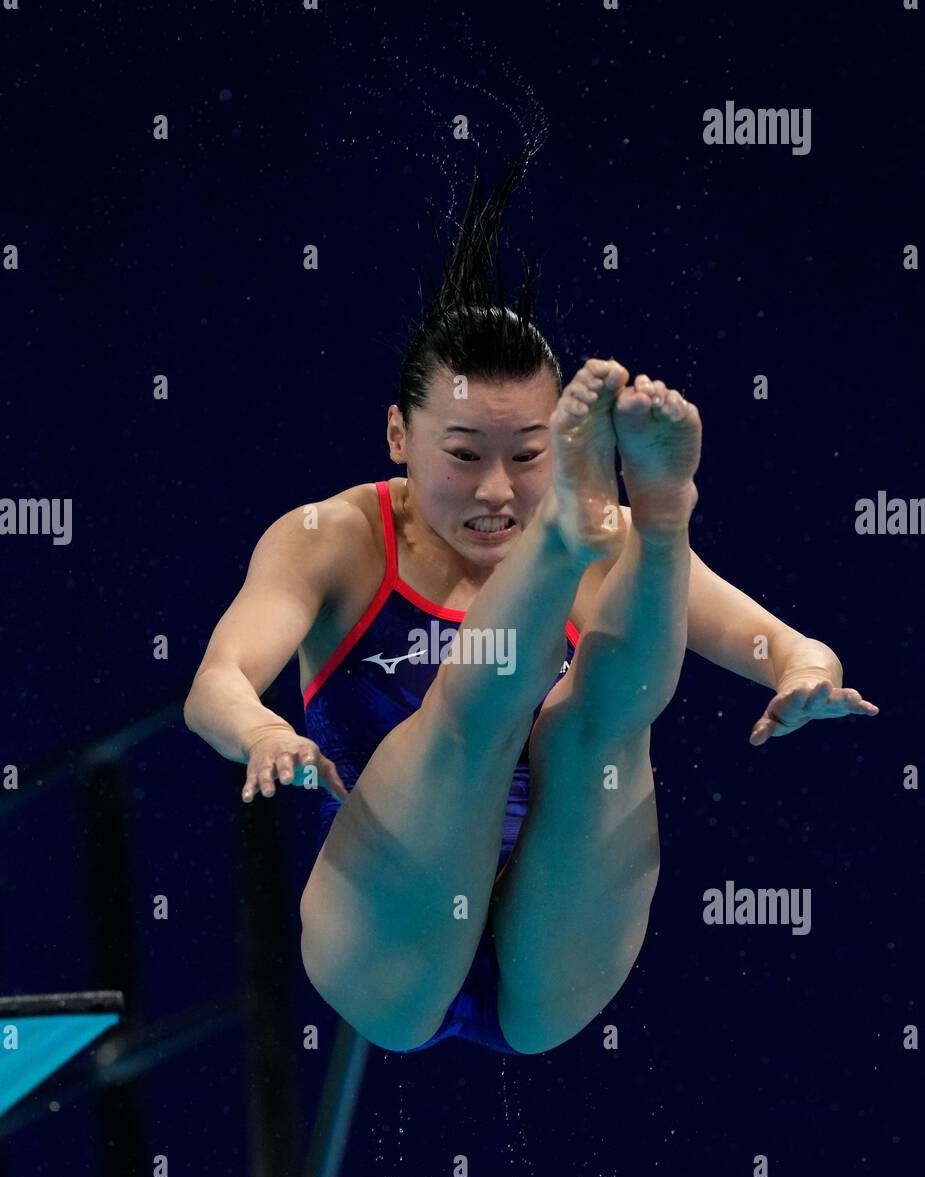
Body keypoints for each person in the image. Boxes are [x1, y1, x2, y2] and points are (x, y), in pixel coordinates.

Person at [183, 165, 878, 1057]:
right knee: (462, 724)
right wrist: (262, 732)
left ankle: (670, 516)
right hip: (386, 930)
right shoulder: (333, 537)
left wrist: (809, 677)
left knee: (596, 726)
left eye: (530, 455)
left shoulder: (613, 543)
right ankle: (565, 545)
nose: (495, 492)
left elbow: (787, 645)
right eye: (464, 454)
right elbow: (217, 682)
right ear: (399, 436)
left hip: (555, 937)